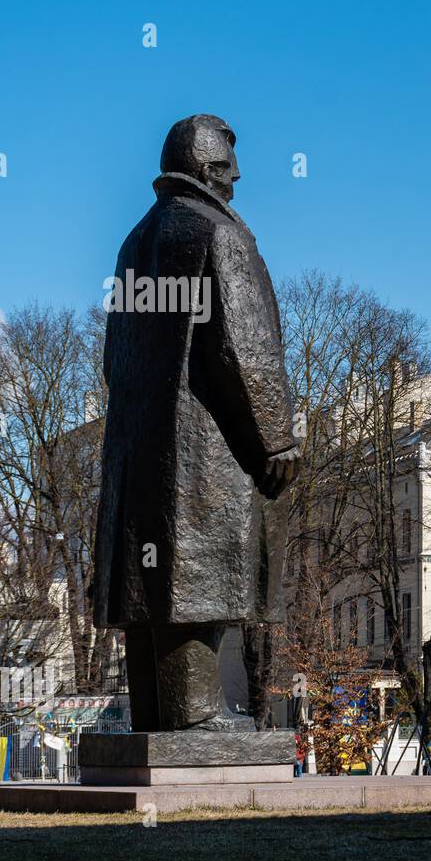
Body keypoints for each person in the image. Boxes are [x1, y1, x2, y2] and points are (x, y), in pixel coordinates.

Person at [92, 114, 301, 732]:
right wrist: (276, 437)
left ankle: (157, 716)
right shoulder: (218, 234)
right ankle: (195, 717)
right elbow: (245, 349)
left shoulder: (136, 242)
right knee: (194, 574)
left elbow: (114, 357)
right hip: (203, 445)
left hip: (138, 444)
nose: (237, 182)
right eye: (230, 172)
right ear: (209, 169)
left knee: (152, 583)